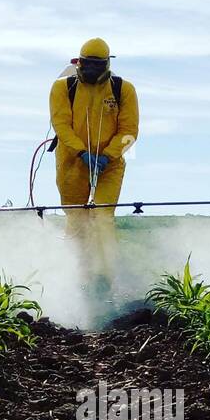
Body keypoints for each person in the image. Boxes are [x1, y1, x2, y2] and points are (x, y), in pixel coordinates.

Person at [48, 38, 139, 302]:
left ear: (107, 64)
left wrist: (108, 155)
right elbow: (61, 124)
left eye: (97, 65)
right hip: (72, 163)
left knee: (102, 218)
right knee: (76, 220)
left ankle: (105, 278)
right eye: (87, 64)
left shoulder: (123, 90)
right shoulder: (62, 88)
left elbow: (129, 130)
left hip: (109, 165)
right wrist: (80, 151)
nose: (91, 70)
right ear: (79, 62)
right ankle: (78, 276)